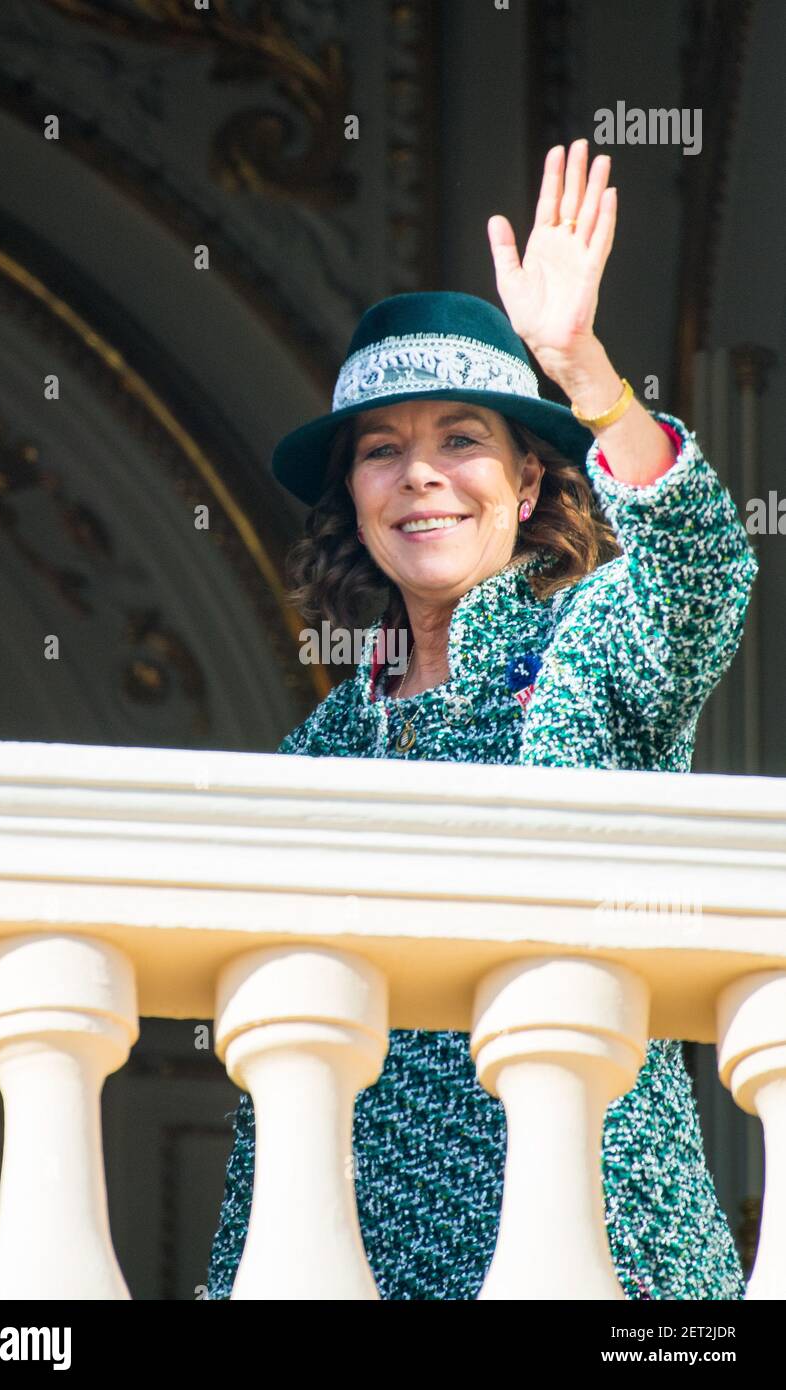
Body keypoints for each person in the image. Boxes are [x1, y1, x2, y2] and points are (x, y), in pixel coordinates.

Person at [206, 140, 758, 1300]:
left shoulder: (587, 644)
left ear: (525, 485)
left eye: (460, 439)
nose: (419, 477)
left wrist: (581, 371)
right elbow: (272, 1078)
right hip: (372, 1262)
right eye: (380, 451)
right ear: (350, 499)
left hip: (603, 1250)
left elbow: (702, 567)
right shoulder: (320, 751)